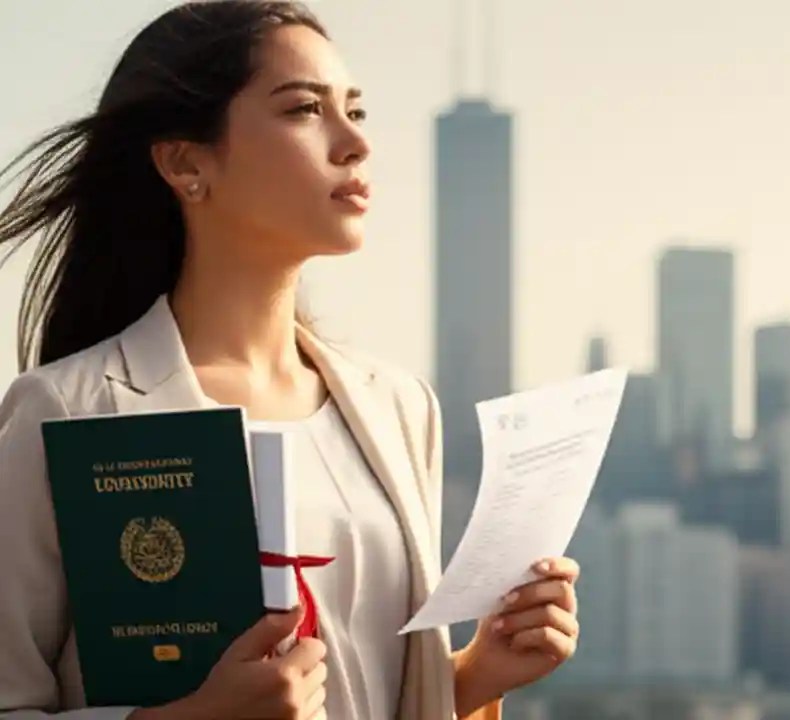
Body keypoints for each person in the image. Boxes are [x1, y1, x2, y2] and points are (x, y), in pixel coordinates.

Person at [0, 2, 582, 719]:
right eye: (305, 109)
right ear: (186, 162)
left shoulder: (397, 407)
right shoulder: (68, 411)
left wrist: (474, 674)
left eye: (357, 112)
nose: (354, 145)